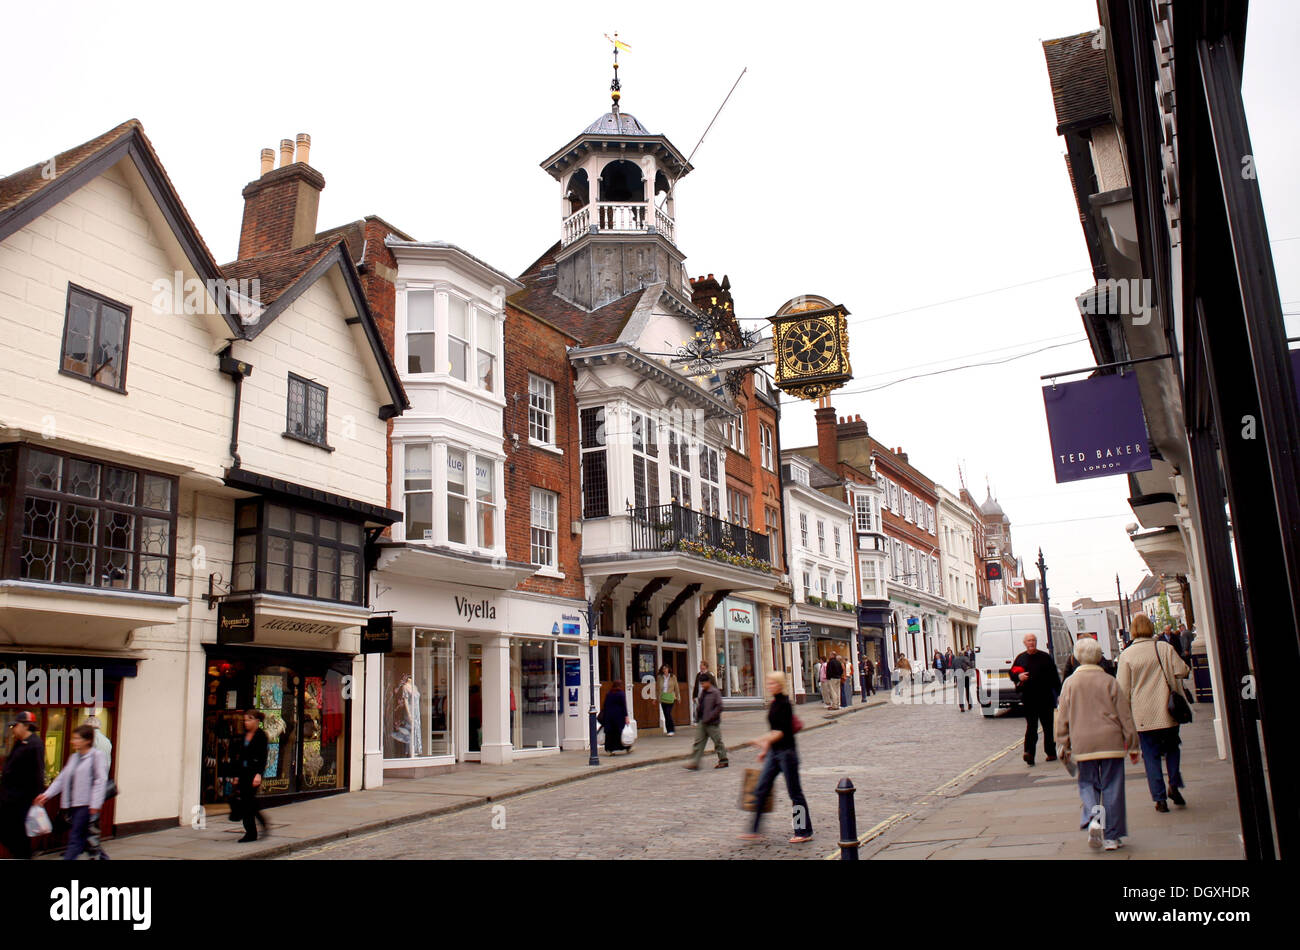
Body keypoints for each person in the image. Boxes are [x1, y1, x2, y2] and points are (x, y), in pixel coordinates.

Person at [1055, 637, 1139, 851]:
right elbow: (1125, 715)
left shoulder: (1070, 683)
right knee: (1113, 787)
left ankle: (1095, 819)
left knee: (1088, 784)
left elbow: (1062, 717)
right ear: (1099, 657)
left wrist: (1062, 743)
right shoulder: (1109, 681)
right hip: (1111, 741)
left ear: (1076, 658)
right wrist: (1133, 743)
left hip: (1083, 743)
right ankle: (1112, 837)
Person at [1117, 613, 1191, 813]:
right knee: (1173, 749)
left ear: (1133, 631)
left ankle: (1159, 799)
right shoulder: (1164, 648)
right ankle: (1174, 785)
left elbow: (1122, 690)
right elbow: (1184, 671)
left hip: (1143, 715)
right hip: (1168, 711)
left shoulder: (1127, 655)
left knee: (1150, 756)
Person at [738, 672, 813, 844]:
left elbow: (780, 733)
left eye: (772, 683)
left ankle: (803, 831)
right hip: (774, 753)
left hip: (787, 753)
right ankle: (754, 830)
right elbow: (773, 730)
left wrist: (759, 740)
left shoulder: (785, 704)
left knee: (795, 794)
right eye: (768, 682)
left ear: (779, 684)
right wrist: (765, 750)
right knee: (761, 789)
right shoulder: (773, 704)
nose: (769, 685)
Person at [34, 724, 109, 860]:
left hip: (87, 805)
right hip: (73, 805)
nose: (72, 741)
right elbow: (61, 779)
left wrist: (95, 805)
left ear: (87, 741)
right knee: (88, 840)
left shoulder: (97, 756)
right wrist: (46, 795)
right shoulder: (74, 758)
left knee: (75, 839)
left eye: (76, 738)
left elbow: (100, 781)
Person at [1011, 633, 1061, 766]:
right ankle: (1029, 753)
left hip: (1045, 698)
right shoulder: (1021, 658)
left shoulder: (1045, 657)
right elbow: (1013, 672)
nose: (1031, 643)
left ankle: (1050, 752)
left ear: (1036, 642)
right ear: (1025, 643)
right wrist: (1018, 676)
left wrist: (1059, 693)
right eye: (1029, 641)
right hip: (1029, 698)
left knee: (1048, 726)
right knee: (1031, 726)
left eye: (1033, 640)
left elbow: (1054, 676)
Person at [0, 711, 45, 859]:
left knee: (17, 833)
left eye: (16, 725)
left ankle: (23, 855)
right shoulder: (20, 742)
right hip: (9, 797)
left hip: (20, 799)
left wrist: (38, 795)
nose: (13, 728)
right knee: (12, 833)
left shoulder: (35, 744)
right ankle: (22, 854)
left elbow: (38, 771)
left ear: (26, 726)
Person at [230, 710, 269, 842]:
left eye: (249, 720)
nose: (246, 722)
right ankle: (262, 822)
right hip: (243, 772)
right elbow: (240, 757)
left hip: (253, 774)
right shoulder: (244, 736)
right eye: (245, 720)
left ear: (257, 721)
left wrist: (259, 774)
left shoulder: (261, 736)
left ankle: (251, 833)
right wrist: (236, 775)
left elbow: (263, 757)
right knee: (249, 802)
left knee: (247, 802)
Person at [684, 673, 728, 769]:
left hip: (712, 722)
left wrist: (712, 716)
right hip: (702, 721)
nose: (702, 685)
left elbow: (719, 706)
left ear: (708, 682)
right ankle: (695, 762)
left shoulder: (715, 692)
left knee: (717, 742)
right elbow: (701, 705)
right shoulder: (703, 692)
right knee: (698, 742)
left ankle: (723, 760)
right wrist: (698, 716)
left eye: (703, 683)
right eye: (701, 684)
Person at [598, 681, 630, 755]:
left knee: (609, 734)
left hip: (608, 717)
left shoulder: (609, 694)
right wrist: (626, 716)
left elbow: (605, 705)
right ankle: (625, 747)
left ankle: (609, 749)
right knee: (618, 733)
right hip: (618, 717)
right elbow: (623, 706)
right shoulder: (621, 694)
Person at [657, 664, 681, 736]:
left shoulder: (673, 677)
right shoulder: (660, 677)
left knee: (668, 713)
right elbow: (657, 688)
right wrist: (657, 698)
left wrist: (678, 697)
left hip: (671, 697)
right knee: (665, 714)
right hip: (663, 697)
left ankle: (671, 729)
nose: (665, 670)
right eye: (663, 669)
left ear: (668, 669)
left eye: (666, 668)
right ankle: (669, 730)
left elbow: (676, 687)